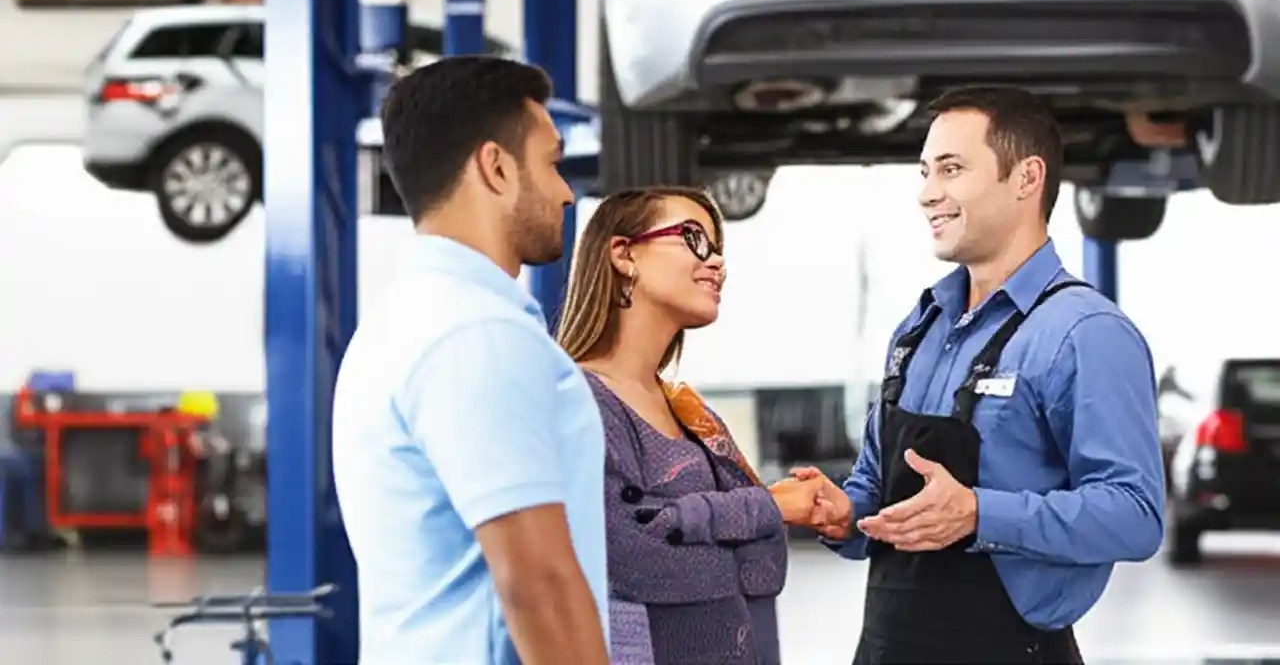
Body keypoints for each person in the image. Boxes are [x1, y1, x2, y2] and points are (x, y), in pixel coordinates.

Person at [787, 85, 1166, 664]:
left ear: (1026, 178)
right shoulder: (919, 328)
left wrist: (980, 514)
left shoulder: (1085, 332)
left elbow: (1135, 515)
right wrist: (844, 513)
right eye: (925, 173)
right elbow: (877, 484)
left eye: (952, 169)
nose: (927, 194)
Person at [331, 56, 609, 665]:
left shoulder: (402, 321)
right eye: (553, 164)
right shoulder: (477, 333)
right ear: (496, 167)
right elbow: (538, 584)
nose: (567, 193)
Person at [555, 186, 821, 665]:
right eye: (694, 239)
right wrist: (767, 507)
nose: (717, 262)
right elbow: (631, 554)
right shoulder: (577, 399)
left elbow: (763, 566)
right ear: (624, 254)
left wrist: (696, 523)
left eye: (718, 249)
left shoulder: (690, 411)